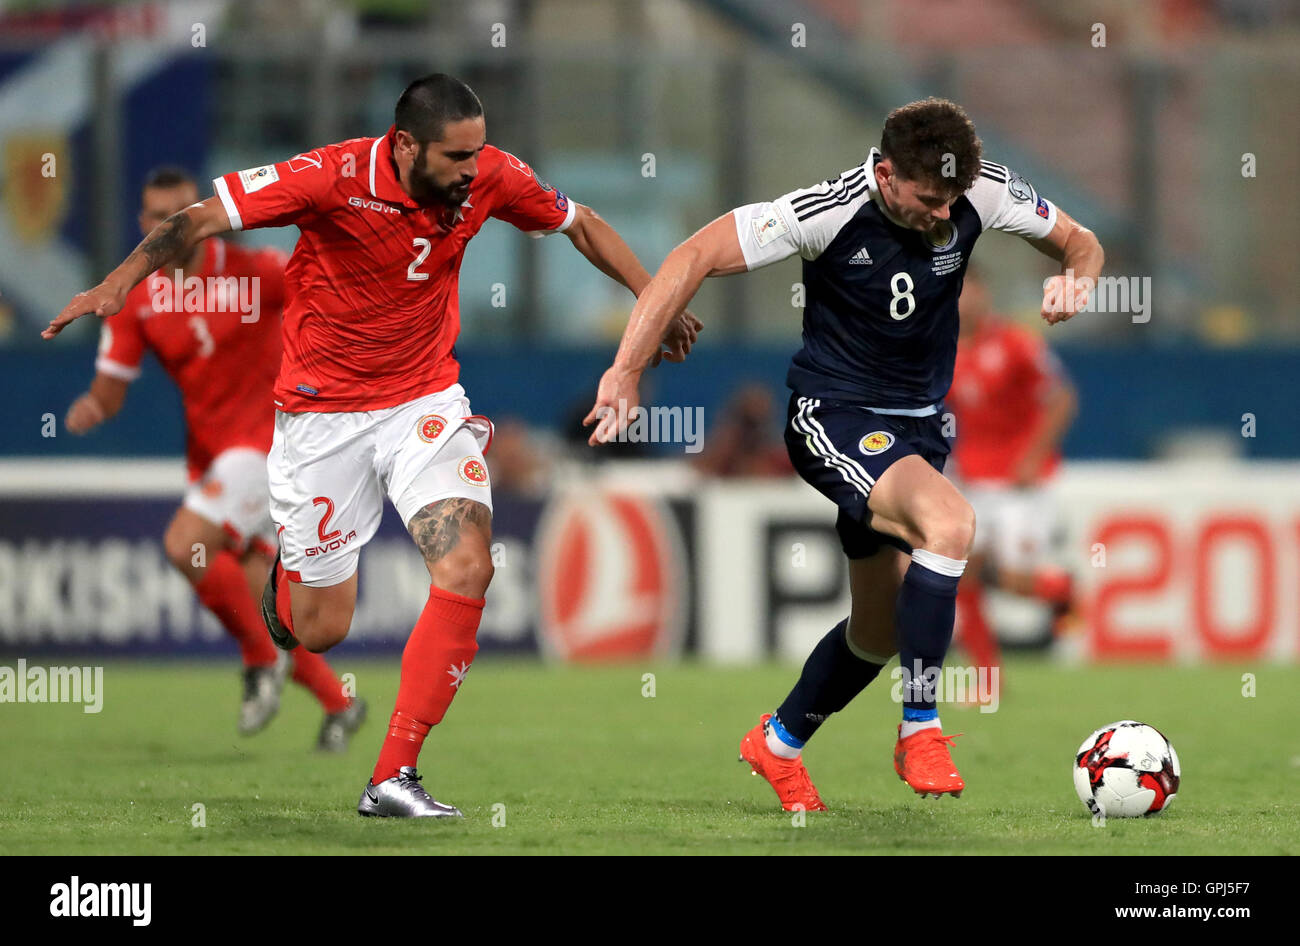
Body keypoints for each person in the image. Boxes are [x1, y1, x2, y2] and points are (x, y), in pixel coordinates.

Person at [46, 74, 699, 818]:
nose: (471, 170)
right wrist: (115, 285)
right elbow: (195, 221)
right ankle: (287, 585)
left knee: (466, 563)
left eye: (478, 153)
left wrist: (656, 299)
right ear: (405, 145)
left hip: (424, 401)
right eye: (456, 156)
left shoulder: (489, 174)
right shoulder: (328, 176)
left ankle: (393, 776)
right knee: (319, 629)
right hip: (321, 419)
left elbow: (580, 224)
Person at [586, 98, 1102, 809]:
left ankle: (779, 741)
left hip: (919, 430)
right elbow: (694, 254)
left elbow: (1083, 239)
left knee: (880, 629)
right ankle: (921, 725)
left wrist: (1079, 274)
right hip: (835, 417)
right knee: (950, 526)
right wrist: (626, 369)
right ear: (886, 175)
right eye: (927, 200)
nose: (944, 214)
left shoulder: (978, 190)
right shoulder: (826, 211)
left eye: (952, 199)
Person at [64, 166, 363, 750]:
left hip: (270, 444)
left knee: (184, 544)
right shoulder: (139, 298)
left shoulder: (257, 272)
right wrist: (90, 408)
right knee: (263, 596)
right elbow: (111, 389)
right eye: (157, 217)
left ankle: (259, 663)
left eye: (181, 213)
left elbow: (333, 298)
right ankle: (338, 702)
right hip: (210, 458)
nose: (172, 226)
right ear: (143, 226)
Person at [946, 271, 1080, 684]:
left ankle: (1063, 595)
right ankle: (988, 679)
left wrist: (1034, 456)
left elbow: (1062, 398)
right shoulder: (942, 348)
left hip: (1020, 484)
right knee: (961, 573)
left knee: (1015, 580)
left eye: (966, 286)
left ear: (983, 290)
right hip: (973, 481)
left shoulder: (1016, 343)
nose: (960, 298)